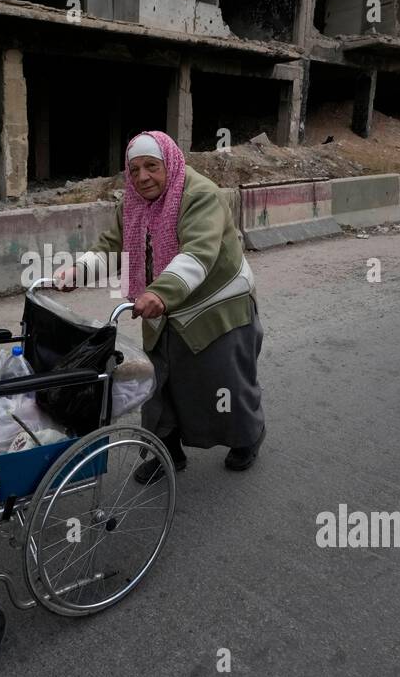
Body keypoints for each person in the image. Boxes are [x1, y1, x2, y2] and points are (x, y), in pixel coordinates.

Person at [53, 130, 265, 478]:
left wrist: (161, 293)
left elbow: (199, 252)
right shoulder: (133, 203)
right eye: (134, 170)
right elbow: (113, 246)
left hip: (216, 304)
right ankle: (166, 454)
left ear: (170, 163)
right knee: (157, 383)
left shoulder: (200, 196)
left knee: (224, 382)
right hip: (162, 304)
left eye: (151, 166)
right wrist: (78, 271)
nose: (142, 177)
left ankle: (247, 438)